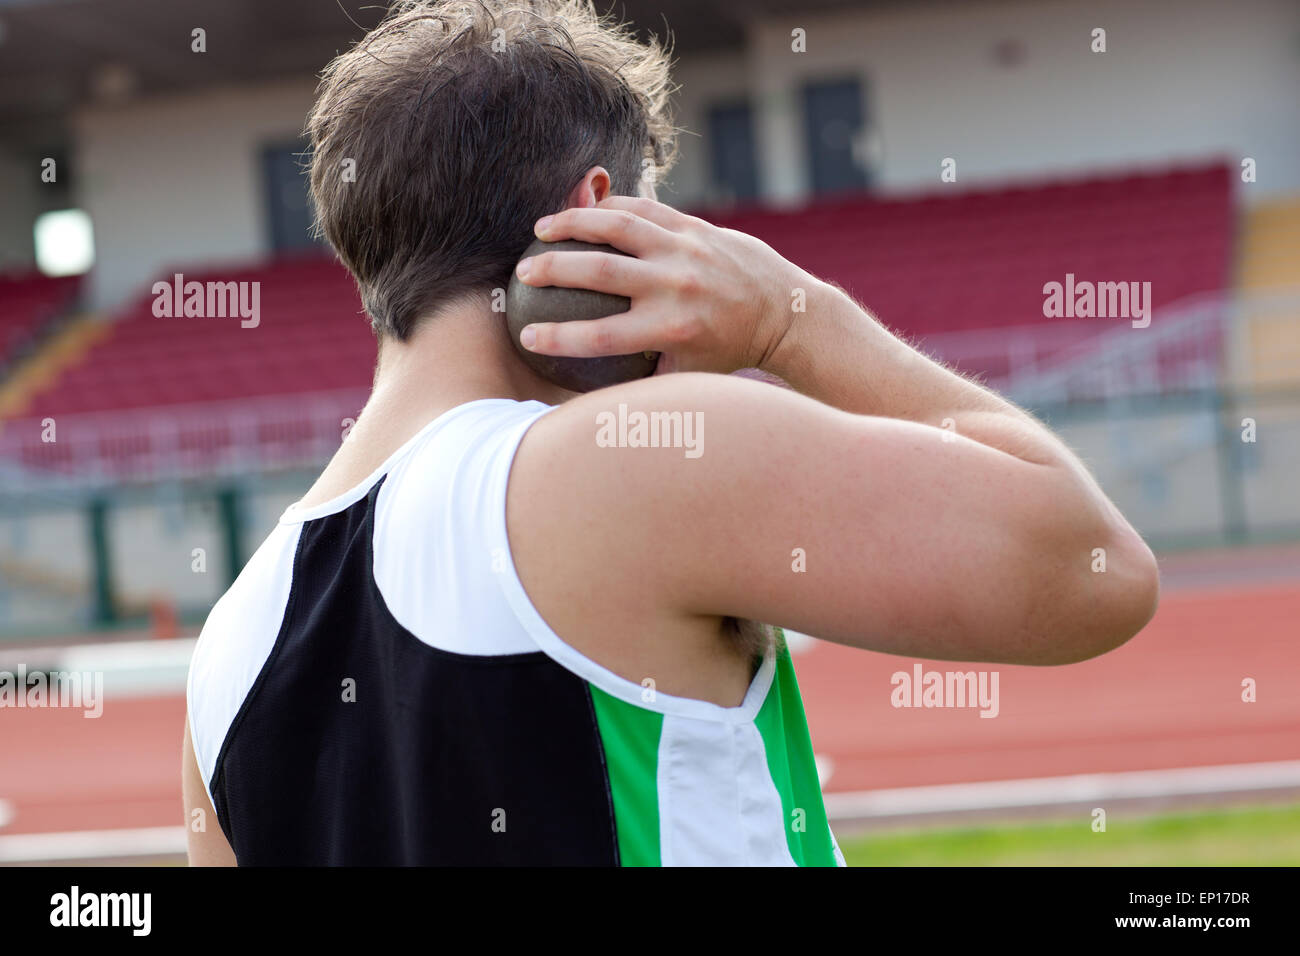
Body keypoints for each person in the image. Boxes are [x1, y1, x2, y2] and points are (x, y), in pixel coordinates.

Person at [183, 0, 1159, 866]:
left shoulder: (225, 654)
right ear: (598, 218)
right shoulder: (629, 461)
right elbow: (1093, 572)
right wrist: (789, 314)